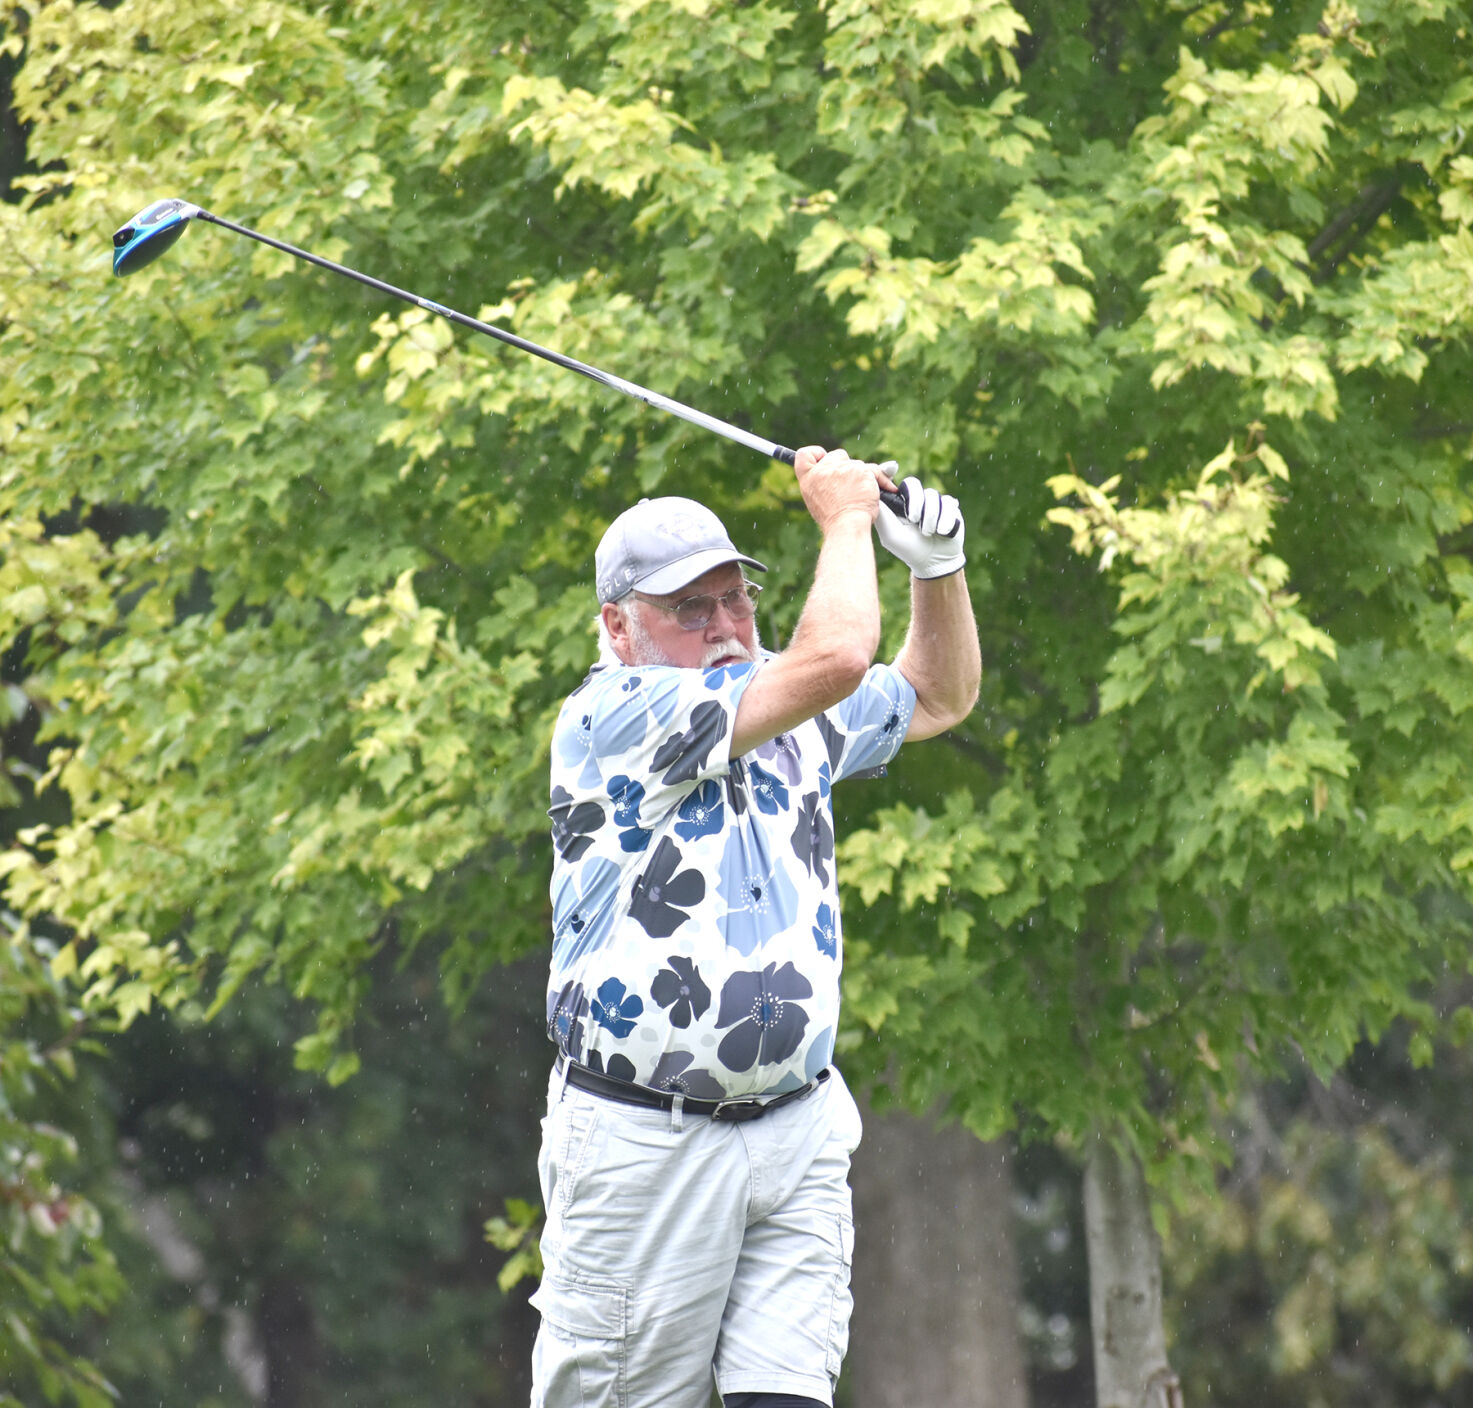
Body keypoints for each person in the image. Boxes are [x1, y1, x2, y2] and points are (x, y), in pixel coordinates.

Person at [533, 444, 981, 1408]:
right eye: (688, 610)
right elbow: (836, 658)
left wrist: (936, 572)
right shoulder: (614, 715)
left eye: (736, 598)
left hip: (797, 1128)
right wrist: (848, 518)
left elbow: (937, 695)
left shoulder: (787, 698)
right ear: (617, 627)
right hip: (644, 1144)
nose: (727, 627)